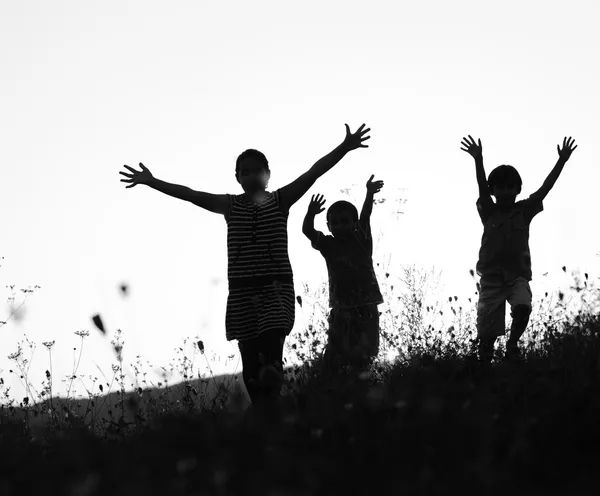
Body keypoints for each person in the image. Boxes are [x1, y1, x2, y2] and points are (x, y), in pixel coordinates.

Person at [119, 123, 371, 414]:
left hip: (276, 292)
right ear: (237, 178)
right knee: (251, 365)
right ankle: (265, 414)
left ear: (268, 174)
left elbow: (314, 171)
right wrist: (152, 181)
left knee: (272, 358)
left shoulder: (280, 200)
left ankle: (272, 412)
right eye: (244, 171)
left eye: (256, 169)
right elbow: (189, 193)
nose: (251, 175)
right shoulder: (229, 206)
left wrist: (344, 147)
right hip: (241, 295)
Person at [460, 135, 578, 362]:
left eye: (510, 187)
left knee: (523, 308)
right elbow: (481, 187)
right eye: (500, 188)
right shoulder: (488, 211)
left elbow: (546, 188)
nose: (505, 192)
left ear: (517, 189)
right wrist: (478, 159)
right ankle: (483, 366)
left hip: (517, 276)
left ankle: (512, 345)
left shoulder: (524, 210)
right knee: (487, 336)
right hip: (491, 279)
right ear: (493, 190)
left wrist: (561, 161)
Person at [302, 174, 384, 374]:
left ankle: (361, 386)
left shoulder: (362, 240)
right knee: (336, 354)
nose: (340, 226)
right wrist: (311, 213)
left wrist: (369, 193)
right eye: (335, 222)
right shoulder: (328, 244)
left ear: (354, 223)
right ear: (328, 226)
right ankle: (333, 386)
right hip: (341, 309)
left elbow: (365, 215)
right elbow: (307, 230)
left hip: (366, 307)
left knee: (364, 354)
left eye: (345, 221)